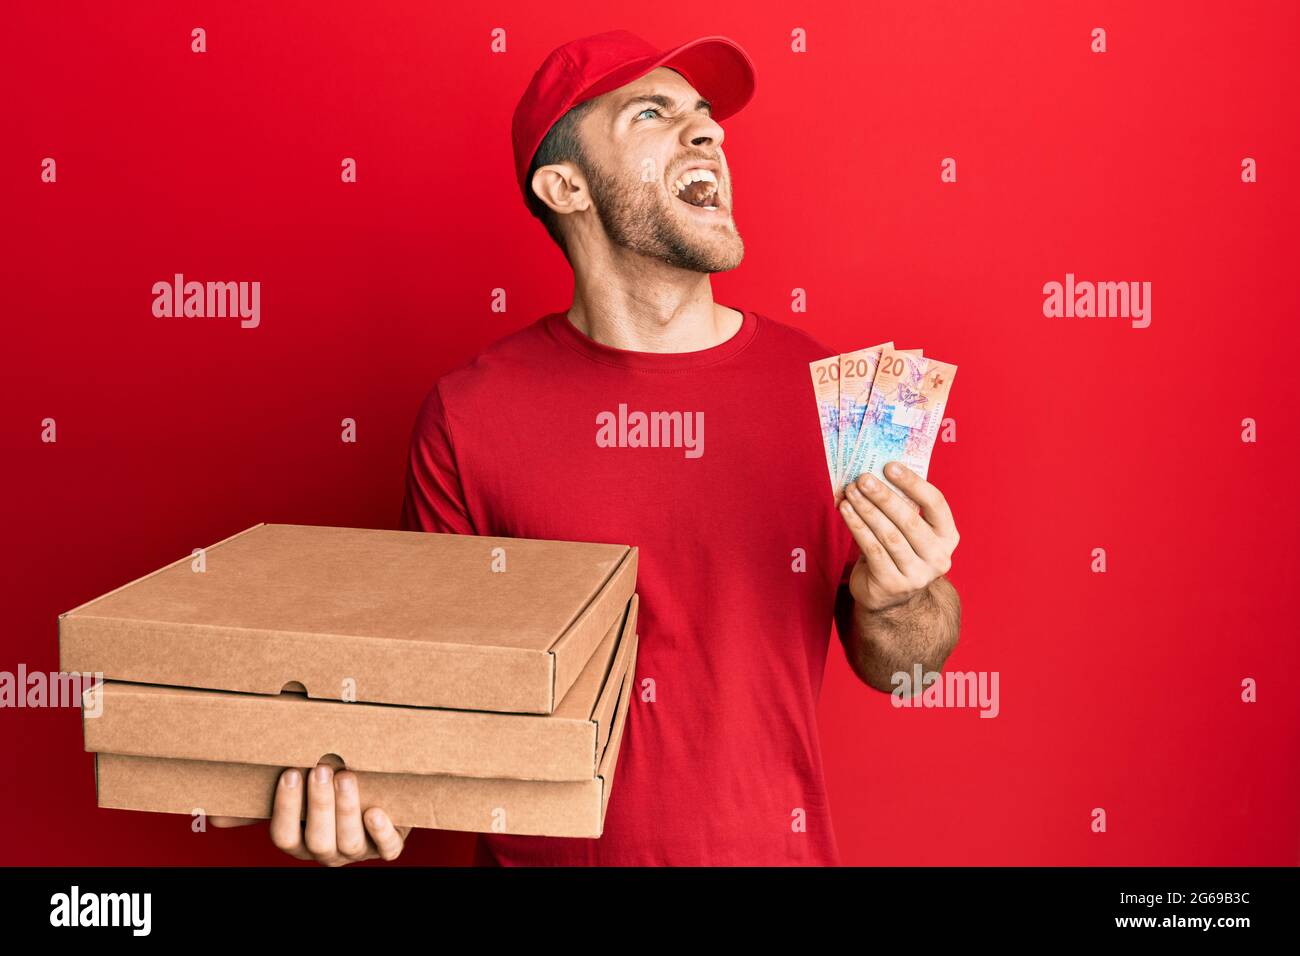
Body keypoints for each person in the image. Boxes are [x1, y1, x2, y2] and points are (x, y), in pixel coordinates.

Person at [218, 28, 961, 867]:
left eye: (706, 116)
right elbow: (435, 698)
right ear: (565, 185)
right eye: (654, 112)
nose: (708, 133)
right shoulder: (470, 415)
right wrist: (359, 812)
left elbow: (911, 670)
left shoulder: (834, 393)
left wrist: (902, 598)